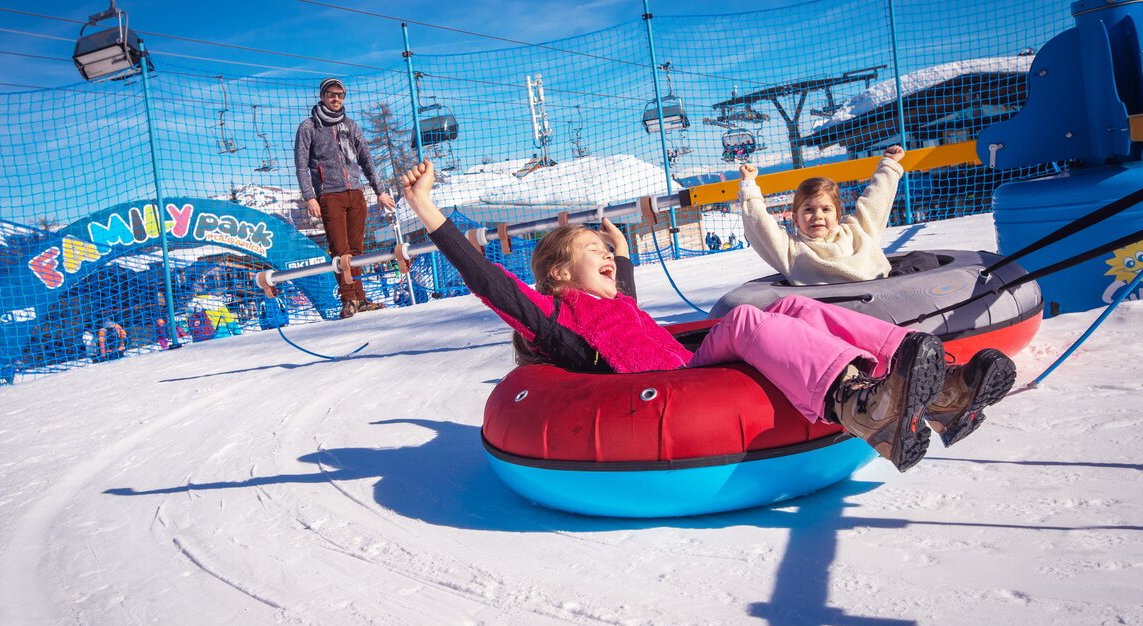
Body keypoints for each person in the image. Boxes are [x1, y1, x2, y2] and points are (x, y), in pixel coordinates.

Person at [400, 160, 1016, 472]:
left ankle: (934, 384)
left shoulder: (616, 303)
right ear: (559, 275)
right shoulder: (554, 317)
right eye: (591, 253)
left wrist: (619, 247)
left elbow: (628, 296)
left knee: (792, 304)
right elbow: (488, 281)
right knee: (750, 322)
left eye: (605, 254)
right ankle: (858, 403)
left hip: (688, 362)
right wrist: (427, 209)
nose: (606, 261)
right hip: (667, 386)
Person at [739, 145, 936, 286]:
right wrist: (749, 186)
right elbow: (760, 225)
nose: (817, 216)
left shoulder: (857, 231)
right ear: (795, 218)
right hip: (833, 310)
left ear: (838, 215)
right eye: (808, 210)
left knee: (923, 259)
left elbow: (876, 198)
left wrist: (889, 164)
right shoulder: (791, 251)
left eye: (826, 209)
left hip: (884, 294)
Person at [294, 77, 396, 319]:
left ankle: (360, 298)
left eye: (340, 94)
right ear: (322, 96)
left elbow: (366, 159)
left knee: (357, 250)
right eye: (331, 94)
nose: (336, 98)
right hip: (329, 196)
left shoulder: (350, 126)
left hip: (355, 195)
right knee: (340, 251)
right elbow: (301, 166)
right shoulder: (309, 127)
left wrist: (379, 191)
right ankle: (348, 298)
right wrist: (310, 197)